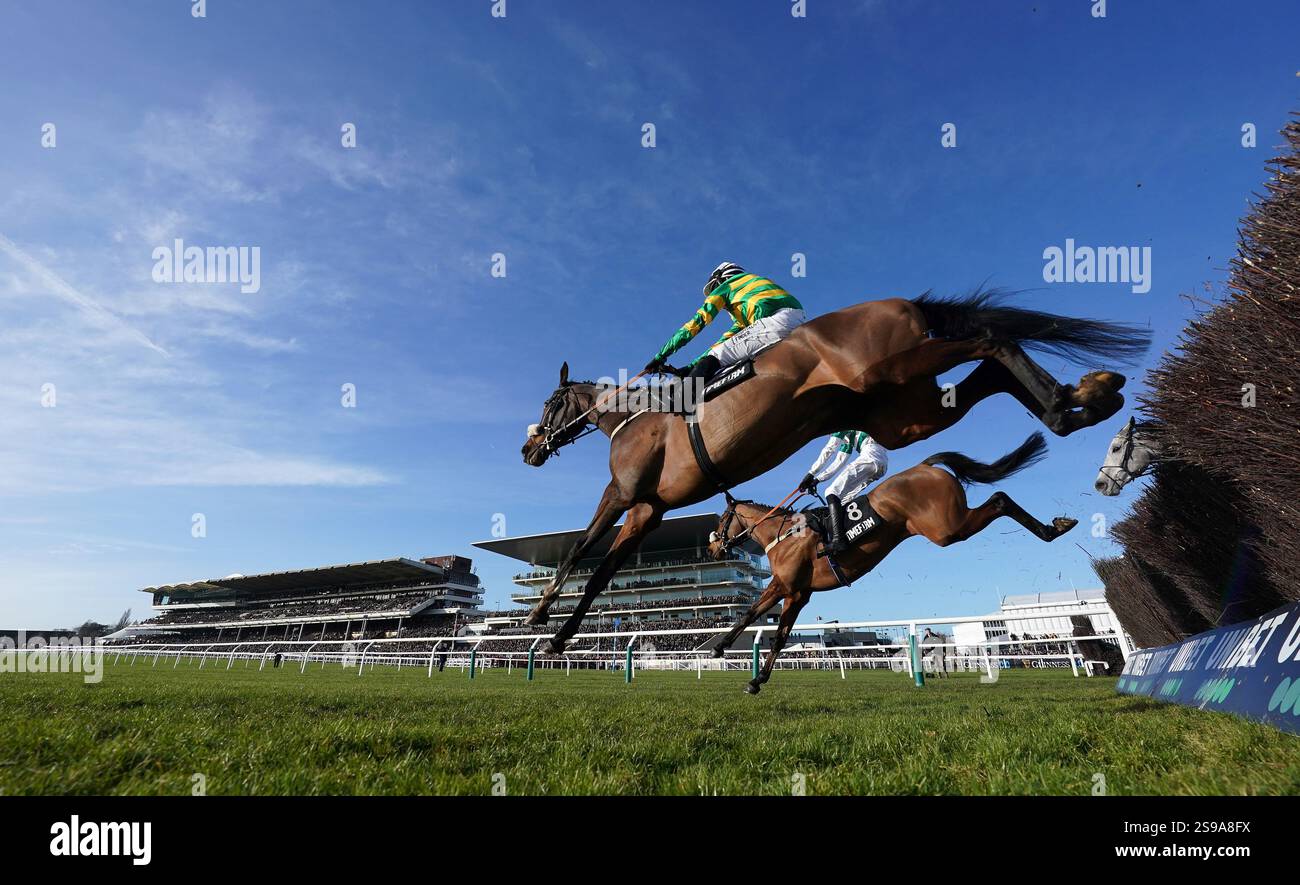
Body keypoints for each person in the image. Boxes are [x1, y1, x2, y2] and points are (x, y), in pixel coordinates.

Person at [644, 262, 806, 387]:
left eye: (714, 287)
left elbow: (695, 324)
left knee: (715, 357)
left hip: (776, 322)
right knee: (718, 355)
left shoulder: (726, 287)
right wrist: (692, 366)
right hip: (798, 319)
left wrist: (661, 356)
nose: (714, 291)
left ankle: (681, 400)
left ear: (722, 278)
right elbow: (724, 342)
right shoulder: (750, 289)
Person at [798, 430, 889, 555]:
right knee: (843, 501)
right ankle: (849, 535)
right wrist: (817, 480)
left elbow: (829, 450)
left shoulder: (841, 428)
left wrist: (811, 473)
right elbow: (839, 462)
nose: (829, 435)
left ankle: (838, 540)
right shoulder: (849, 438)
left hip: (870, 457)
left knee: (831, 491)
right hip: (880, 463)